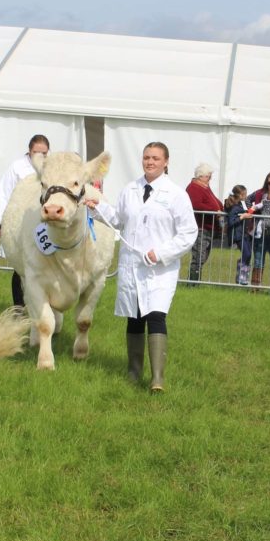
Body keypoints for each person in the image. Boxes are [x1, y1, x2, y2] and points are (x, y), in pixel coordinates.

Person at [87, 141, 197, 392]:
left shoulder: (176, 194)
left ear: (166, 162)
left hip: (160, 269)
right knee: (134, 317)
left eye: (156, 158)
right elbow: (118, 219)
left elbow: (189, 233)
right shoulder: (130, 189)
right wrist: (98, 208)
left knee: (156, 315)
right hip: (133, 265)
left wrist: (160, 253)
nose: (150, 162)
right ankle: (134, 372)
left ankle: (157, 377)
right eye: (147, 157)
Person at [0, 134, 50, 306]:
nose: (40, 156)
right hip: (21, 224)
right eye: (36, 152)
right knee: (21, 267)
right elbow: (4, 194)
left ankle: (44, 305)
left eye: (44, 153)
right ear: (29, 151)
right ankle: (19, 306)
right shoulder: (17, 168)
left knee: (46, 266)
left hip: (44, 223)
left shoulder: (51, 168)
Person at [186, 163, 224, 283]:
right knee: (199, 256)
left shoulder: (205, 187)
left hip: (209, 227)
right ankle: (193, 283)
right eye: (208, 176)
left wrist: (222, 207)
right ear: (200, 176)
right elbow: (196, 205)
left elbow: (214, 201)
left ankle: (195, 281)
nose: (210, 179)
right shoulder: (193, 188)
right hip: (201, 227)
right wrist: (214, 210)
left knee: (203, 256)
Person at [224, 185, 251, 284]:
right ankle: (241, 275)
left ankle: (243, 273)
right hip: (238, 235)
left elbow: (246, 211)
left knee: (248, 254)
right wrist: (242, 217)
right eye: (244, 194)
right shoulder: (234, 207)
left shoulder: (242, 204)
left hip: (244, 233)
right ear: (239, 195)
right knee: (247, 253)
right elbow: (231, 221)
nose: (246, 196)